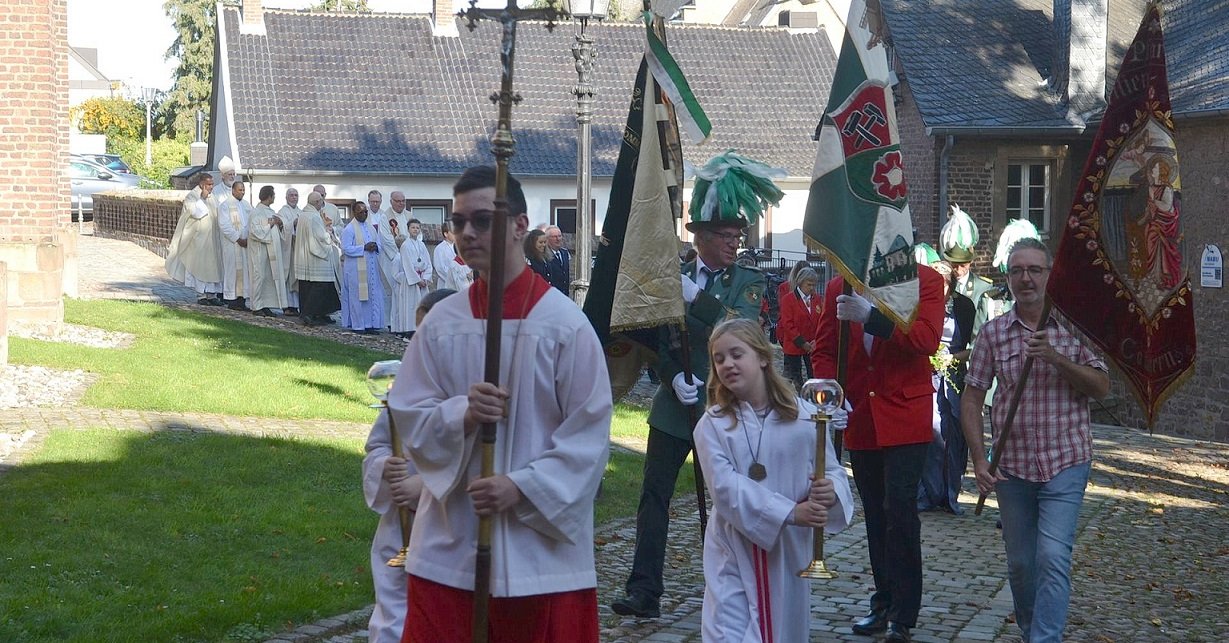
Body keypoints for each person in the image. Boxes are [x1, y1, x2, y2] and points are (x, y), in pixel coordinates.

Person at [387, 166, 611, 642]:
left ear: (519, 226)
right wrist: (462, 414)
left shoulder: (565, 326)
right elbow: (409, 413)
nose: (467, 232)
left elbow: (589, 435)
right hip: (450, 547)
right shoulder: (442, 323)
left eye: (483, 220)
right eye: (459, 221)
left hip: (540, 556)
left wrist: (522, 487)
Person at [613, 151, 778, 620]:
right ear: (700, 236)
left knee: (727, 501)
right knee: (653, 498)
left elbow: (740, 331)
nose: (734, 242)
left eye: (737, 235)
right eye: (725, 235)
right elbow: (658, 338)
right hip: (674, 404)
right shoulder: (674, 278)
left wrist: (696, 300)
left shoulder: (745, 281)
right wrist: (673, 374)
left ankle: (733, 584)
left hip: (724, 408)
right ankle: (645, 589)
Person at [961, 238, 1109, 643]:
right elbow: (972, 396)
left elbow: (1101, 386)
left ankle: (1045, 639)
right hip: (1012, 466)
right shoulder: (993, 334)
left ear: (1049, 275)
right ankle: (1031, 632)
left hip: (1066, 459)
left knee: (1052, 557)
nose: (1025, 278)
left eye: (1034, 270)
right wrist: (979, 458)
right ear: (1008, 278)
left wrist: (1058, 359)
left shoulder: (1074, 329)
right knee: (1023, 563)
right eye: (1017, 271)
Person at [695, 318, 853, 642]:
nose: (728, 364)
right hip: (734, 550)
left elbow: (833, 471)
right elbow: (725, 489)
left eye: (737, 354)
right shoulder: (712, 425)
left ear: (763, 357)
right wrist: (791, 513)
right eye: (719, 358)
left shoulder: (806, 417)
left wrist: (830, 491)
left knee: (783, 630)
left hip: (789, 553)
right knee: (730, 633)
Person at [811, 264, 945, 643]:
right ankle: (883, 600)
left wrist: (872, 317)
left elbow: (925, 340)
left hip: (905, 414)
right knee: (875, 511)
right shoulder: (841, 284)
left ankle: (904, 613)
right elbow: (824, 349)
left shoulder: (926, 282)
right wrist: (830, 393)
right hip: (862, 416)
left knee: (899, 509)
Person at [361, 288, 455, 643]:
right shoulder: (405, 386)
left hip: (449, 523)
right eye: (418, 336)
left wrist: (428, 486)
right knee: (393, 607)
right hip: (400, 524)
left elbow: (479, 456)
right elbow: (379, 442)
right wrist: (384, 466)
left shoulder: (472, 387)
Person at [916, 261, 975, 514]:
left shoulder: (964, 307)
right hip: (925, 378)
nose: (938, 288)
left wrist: (952, 359)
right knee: (930, 433)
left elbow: (974, 346)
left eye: (944, 283)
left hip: (953, 379)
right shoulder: (918, 306)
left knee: (954, 437)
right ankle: (928, 493)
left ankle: (950, 494)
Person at [165, 172, 223, 306]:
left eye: (212, 184)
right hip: (198, 239)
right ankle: (201, 294)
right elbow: (195, 213)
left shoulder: (212, 197)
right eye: (209, 184)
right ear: (202, 184)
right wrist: (201, 198)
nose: (211, 187)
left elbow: (217, 212)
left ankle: (211, 294)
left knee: (212, 266)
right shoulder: (192, 196)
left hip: (212, 239)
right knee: (200, 266)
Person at [295, 192, 341, 326]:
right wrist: (328, 231)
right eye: (321, 201)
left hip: (305, 257)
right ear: (316, 202)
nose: (323, 203)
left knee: (306, 286)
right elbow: (321, 237)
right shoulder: (314, 217)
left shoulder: (303, 215)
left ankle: (314, 313)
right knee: (319, 286)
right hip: (316, 258)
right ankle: (308, 314)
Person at [340, 202, 385, 334]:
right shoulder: (349, 229)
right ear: (354, 213)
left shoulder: (370, 227)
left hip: (371, 268)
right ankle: (358, 325)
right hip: (355, 270)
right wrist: (363, 248)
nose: (364, 214)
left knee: (371, 295)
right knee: (358, 297)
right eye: (361, 212)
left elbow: (379, 243)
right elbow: (346, 248)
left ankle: (370, 324)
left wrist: (375, 247)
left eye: (366, 212)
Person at [244, 185, 289, 316]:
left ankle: (265, 305)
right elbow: (255, 232)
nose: (274, 197)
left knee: (269, 278)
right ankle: (256, 306)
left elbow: (278, 230)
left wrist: (279, 224)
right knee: (259, 277)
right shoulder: (256, 213)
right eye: (273, 195)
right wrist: (270, 224)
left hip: (271, 251)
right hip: (259, 250)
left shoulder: (271, 211)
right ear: (269, 196)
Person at [776, 266, 823, 391]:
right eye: (809, 285)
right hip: (794, 344)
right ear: (800, 283)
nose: (812, 288)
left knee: (813, 373)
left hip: (812, 345)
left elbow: (821, 321)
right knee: (795, 376)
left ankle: (813, 395)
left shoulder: (817, 299)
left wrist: (815, 341)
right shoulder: (788, 299)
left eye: (814, 285)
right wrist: (802, 343)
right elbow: (788, 324)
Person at [390, 219, 433, 337]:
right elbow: (407, 265)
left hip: (422, 279)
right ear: (408, 229)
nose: (415, 230)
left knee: (421, 305)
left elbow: (428, 263)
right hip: (412, 281)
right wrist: (417, 280)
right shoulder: (405, 245)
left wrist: (425, 278)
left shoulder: (422, 245)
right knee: (410, 306)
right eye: (413, 227)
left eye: (417, 228)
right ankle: (410, 330)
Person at [217, 180, 251, 310]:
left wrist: (248, 238)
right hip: (232, 245)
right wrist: (237, 238)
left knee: (244, 273)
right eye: (239, 190)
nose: (242, 192)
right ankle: (232, 300)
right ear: (233, 190)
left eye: (243, 190)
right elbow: (224, 225)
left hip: (245, 244)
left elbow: (251, 221)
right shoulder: (225, 205)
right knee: (232, 272)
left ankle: (241, 300)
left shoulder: (246, 205)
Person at [277, 188, 304, 315]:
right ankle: (287, 306)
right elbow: (281, 228)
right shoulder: (283, 211)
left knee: (297, 277)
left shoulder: (301, 212)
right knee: (288, 277)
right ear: (286, 197)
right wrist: (292, 224)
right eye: (292, 195)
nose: (294, 197)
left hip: (298, 248)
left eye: (296, 195)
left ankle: (296, 305)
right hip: (288, 249)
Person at [544, 225, 571, 294]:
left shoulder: (565, 253)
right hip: (551, 294)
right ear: (547, 239)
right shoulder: (544, 254)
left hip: (564, 295)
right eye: (554, 237)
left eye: (559, 236)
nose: (558, 239)